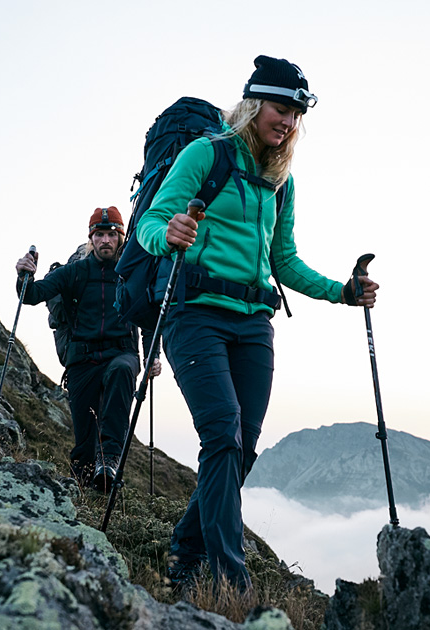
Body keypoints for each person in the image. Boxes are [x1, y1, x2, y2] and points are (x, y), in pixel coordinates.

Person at [136, 55, 379, 591]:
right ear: (252, 105)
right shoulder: (207, 154)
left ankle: (187, 547)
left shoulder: (279, 182)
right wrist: (169, 231)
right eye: (280, 107)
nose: (288, 121)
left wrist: (342, 292)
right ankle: (230, 581)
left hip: (253, 325)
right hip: (192, 313)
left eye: (296, 113)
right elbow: (152, 223)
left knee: (242, 445)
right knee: (221, 431)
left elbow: (284, 260)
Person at [14, 207, 160, 491]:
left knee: (120, 372)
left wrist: (152, 356)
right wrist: (24, 275)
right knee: (84, 439)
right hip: (82, 360)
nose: (106, 240)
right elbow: (31, 295)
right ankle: (84, 488)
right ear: (91, 238)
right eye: (100, 235)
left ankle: (109, 462)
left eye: (112, 235)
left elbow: (149, 319)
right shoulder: (74, 273)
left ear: (121, 237)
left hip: (122, 354)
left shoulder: (130, 273)